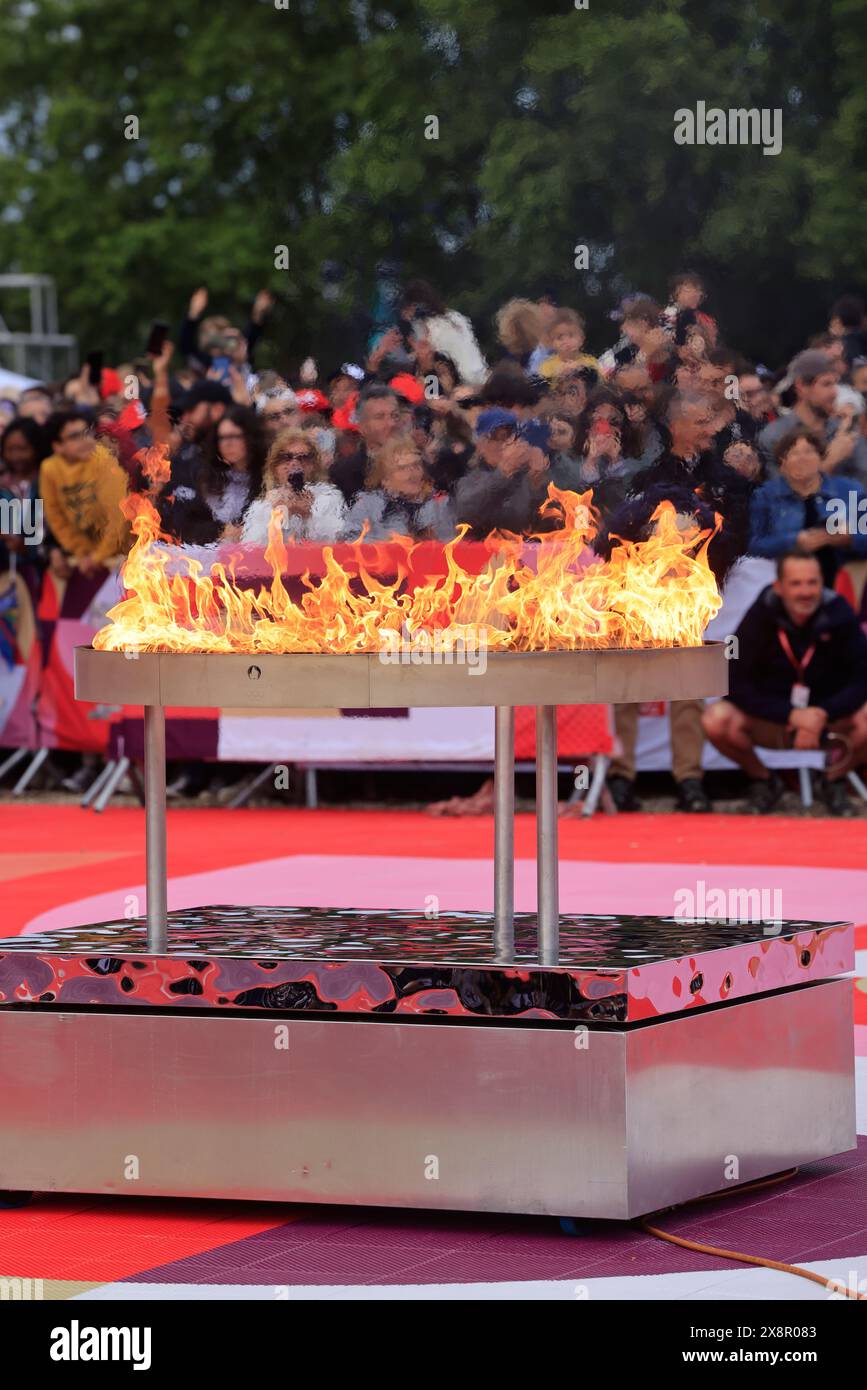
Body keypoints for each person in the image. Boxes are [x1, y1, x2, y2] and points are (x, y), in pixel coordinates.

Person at [702, 552, 867, 815]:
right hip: (776, 721)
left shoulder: (838, 611)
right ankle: (765, 782)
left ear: (821, 583)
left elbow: (862, 678)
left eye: (812, 583)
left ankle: (833, 780)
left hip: (829, 720)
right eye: (796, 584)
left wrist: (821, 714)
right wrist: (793, 715)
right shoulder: (762, 613)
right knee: (716, 719)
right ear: (778, 587)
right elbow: (734, 682)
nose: (805, 592)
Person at [749, 426, 867, 587]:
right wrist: (795, 541)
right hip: (788, 584)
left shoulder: (850, 491)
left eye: (809, 452)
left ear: (820, 458)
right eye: (794, 453)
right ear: (782, 463)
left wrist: (848, 539)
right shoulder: (765, 496)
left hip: (843, 582)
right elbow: (755, 547)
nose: (802, 458)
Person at [758, 349, 867, 486]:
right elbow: (784, 495)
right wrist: (830, 460)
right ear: (801, 386)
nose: (835, 392)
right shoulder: (776, 435)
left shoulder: (844, 428)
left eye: (835, 383)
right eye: (826, 384)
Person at [39, 410, 130, 573]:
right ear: (57, 446)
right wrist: (83, 553)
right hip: (85, 559)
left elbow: (119, 518)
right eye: (74, 437)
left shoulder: (105, 460)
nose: (85, 441)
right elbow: (56, 517)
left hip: (124, 555)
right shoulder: (49, 469)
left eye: (87, 433)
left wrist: (98, 556)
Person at [241, 430, 346, 545]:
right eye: (286, 458)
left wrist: (307, 515)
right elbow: (251, 548)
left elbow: (335, 542)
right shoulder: (264, 504)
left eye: (303, 458)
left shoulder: (328, 497)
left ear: (314, 465)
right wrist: (276, 517)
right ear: (275, 467)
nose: (294, 463)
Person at [345, 438, 454, 541]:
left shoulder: (440, 505)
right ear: (385, 480)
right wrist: (389, 545)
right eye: (402, 468)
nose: (412, 474)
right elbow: (350, 544)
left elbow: (452, 546)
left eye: (416, 466)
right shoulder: (367, 506)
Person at [330, 384, 403, 503]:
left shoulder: (422, 464)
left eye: (395, 416)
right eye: (380, 417)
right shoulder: (342, 473)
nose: (391, 423)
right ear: (362, 426)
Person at [539, 309, 599, 382]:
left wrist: (581, 370)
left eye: (571, 336)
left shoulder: (590, 362)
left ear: (581, 339)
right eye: (559, 337)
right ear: (552, 343)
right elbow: (543, 388)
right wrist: (557, 375)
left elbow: (599, 383)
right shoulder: (547, 366)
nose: (566, 342)